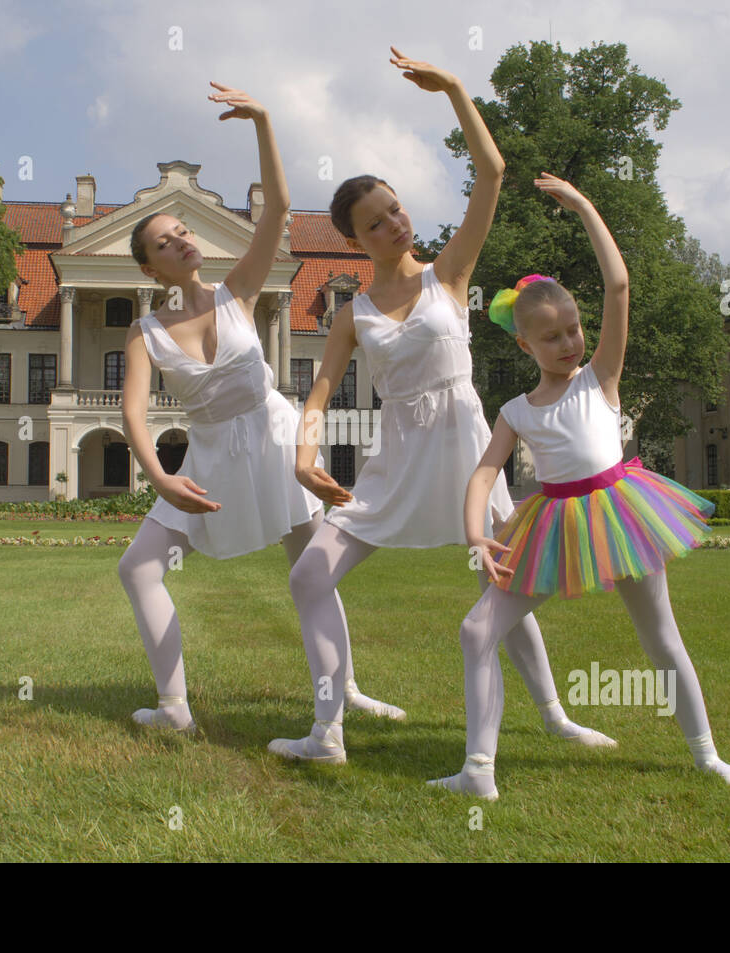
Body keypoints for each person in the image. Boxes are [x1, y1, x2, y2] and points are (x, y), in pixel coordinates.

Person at [269, 52, 612, 763]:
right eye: (375, 222)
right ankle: (327, 730)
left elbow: (490, 173)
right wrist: (305, 454)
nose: (395, 223)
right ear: (355, 240)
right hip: (396, 460)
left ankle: (553, 713)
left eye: (395, 208)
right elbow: (321, 392)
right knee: (308, 574)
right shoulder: (352, 311)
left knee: (504, 580)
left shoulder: (447, 274)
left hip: (465, 453)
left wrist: (455, 89)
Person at [429, 172, 730, 799]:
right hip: (549, 523)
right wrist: (478, 532)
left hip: (623, 513)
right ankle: (478, 772)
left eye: (573, 330)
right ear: (524, 342)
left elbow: (619, 284)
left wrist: (582, 205)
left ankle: (707, 755)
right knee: (476, 630)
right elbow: (483, 472)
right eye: (550, 337)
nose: (567, 343)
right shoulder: (516, 411)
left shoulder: (598, 378)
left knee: (660, 636)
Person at [118, 83, 399, 733]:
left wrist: (264, 121)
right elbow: (134, 411)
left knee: (313, 568)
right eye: (165, 241)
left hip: (274, 436)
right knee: (138, 566)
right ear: (150, 269)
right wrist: (160, 476)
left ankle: (346, 693)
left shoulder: (237, 289)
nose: (182, 240)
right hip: (210, 452)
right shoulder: (145, 333)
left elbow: (276, 210)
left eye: (183, 230)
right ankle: (174, 708)